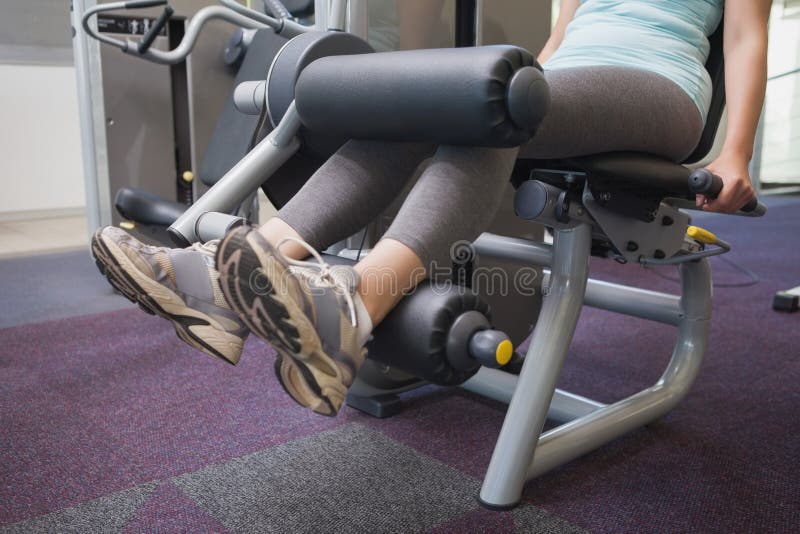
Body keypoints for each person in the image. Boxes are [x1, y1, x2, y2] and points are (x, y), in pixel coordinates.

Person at [91, 0, 770, 416]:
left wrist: (735, 152)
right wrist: (498, 84)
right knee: (455, 103)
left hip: (661, 87)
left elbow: (743, 37)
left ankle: (354, 305)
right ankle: (228, 277)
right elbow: (557, 46)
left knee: (493, 106)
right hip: (570, 84)